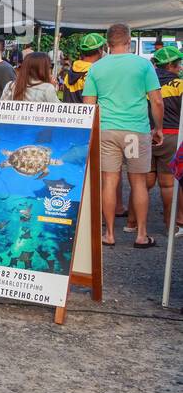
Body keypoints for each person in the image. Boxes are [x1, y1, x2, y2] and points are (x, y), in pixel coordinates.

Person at [83, 23, 163, 248]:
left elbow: (88, 104)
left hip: (107, 130)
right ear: (129, 42)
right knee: (138, 182)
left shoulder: (96, 68)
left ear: (107, 44)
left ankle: (109, 234)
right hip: (136, 130)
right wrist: (158, 128)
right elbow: (156, 100)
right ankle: (141, 234)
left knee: (109, 181)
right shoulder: (143, 65)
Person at [149, 45, 183, 236]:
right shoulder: (180, 85)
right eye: (178, 63)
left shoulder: (147, 83)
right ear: (170, 65)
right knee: (169, 184)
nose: (180, 67)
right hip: (173, 136)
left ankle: (133, 222)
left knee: (142, 183)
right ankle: (173, 224)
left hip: (147, 134)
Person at [60, 33, 106, 102]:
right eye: (103, 48)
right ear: (100, 50)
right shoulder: (94, 74)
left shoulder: (70, 72)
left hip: (69, 112)